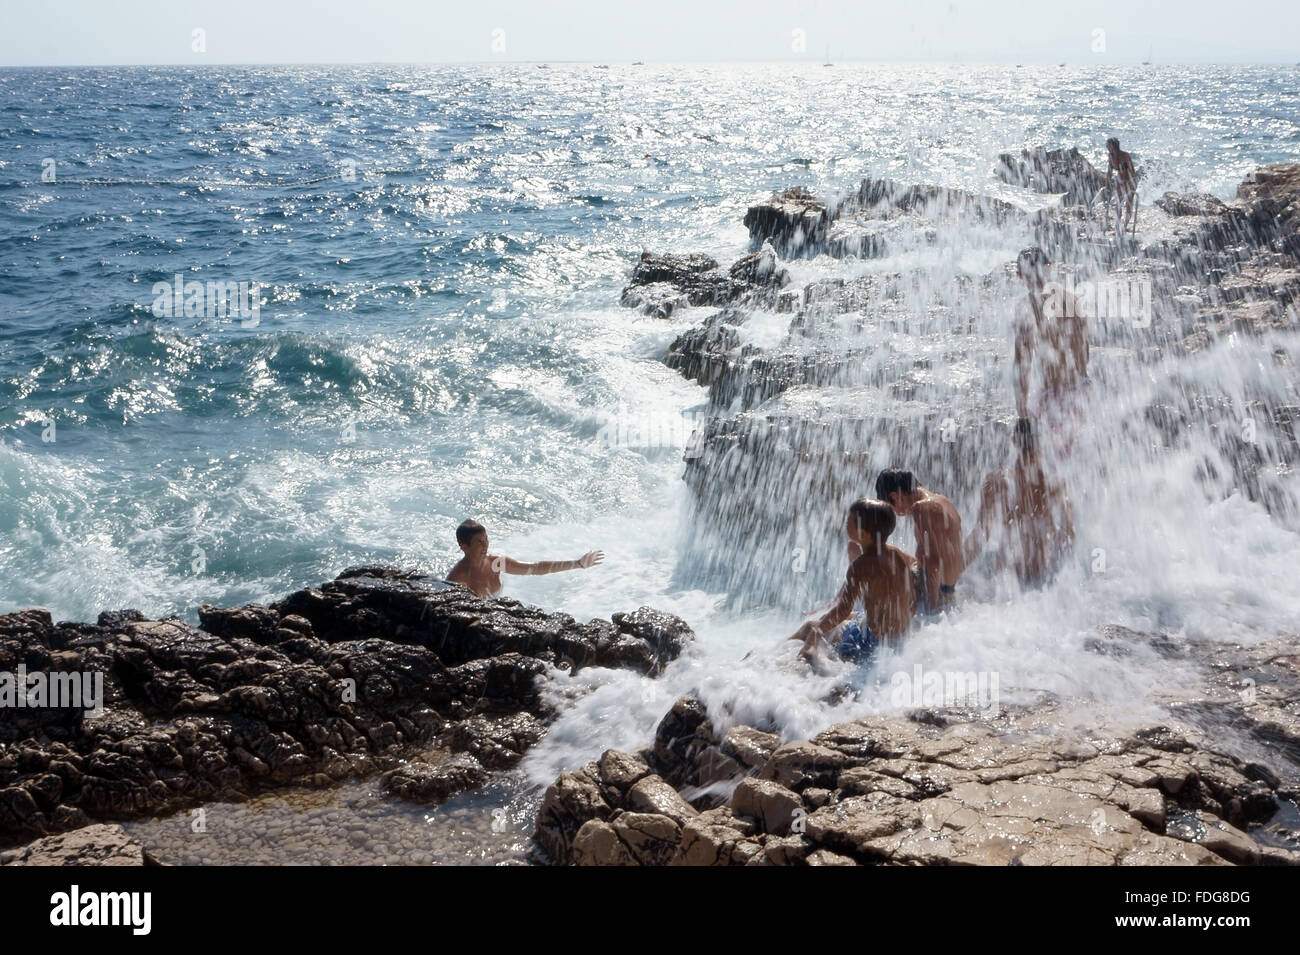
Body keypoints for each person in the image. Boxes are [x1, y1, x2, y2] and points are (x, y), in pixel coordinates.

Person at [788, 499, 916, 667]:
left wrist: (814, 636)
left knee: (811, 625)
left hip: (871, 644)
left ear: (864, 534)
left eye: (849, 521)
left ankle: (773, 657)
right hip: (900, 637)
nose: (845, 523)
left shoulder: (860, 566)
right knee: (851, 617)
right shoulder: (900, 555)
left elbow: (843, 609)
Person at [963, 418, 1074, 587]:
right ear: (1041, 442)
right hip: (1041, 583)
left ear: (1014, 442)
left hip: (1006, 583)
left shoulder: (996, 482)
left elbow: (980, 536)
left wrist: (951, 572)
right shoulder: (1055, 484)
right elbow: (1068, 536)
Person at [1013, 247, 1089, 463]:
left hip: (1054, 399)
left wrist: (1022, 410)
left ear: (1019, 275)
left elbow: (1022, 361)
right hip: (1081, 392)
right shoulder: (1072, 300)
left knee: (1043, 465)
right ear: (1049, 267)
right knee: (1068, 464)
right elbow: (1084, 354)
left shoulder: (1026, 307)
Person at [874, 468, 964, 614]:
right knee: (884, 551)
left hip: (937, 592)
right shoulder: (941, 500)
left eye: (891, 507)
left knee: (872, 564)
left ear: (895, 496)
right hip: (948, 589)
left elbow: (933, 562)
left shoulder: (920, 509)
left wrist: (931, 610)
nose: (895, 513)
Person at [445, 519, 604, 597]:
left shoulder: (496, 563)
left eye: (486, 539)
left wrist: (578, 564)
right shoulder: (459, 576)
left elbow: (535, 568)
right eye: (479, 542)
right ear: (464, 546)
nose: (485, 545)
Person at [1105, 138, 1137, 235]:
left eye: (1108, 145)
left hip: (1130, 180)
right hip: (1120, 180)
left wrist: (1130, 184)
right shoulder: (1110, 156)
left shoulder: (1124, 156)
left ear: (1114, 146)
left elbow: (1130, 170)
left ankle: (1124, 227)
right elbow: (1109, 171)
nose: (1106, 147)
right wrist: (1107, 184)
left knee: (1128, 205)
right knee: (1118, 204)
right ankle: (1117, 226)